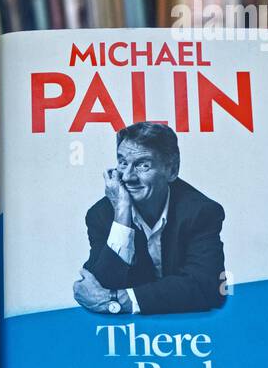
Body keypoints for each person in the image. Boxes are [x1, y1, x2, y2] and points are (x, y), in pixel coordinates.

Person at [74, 122, 227, 316]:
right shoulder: (100, 215)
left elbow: (208, 287)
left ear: (171, 170)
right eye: (122, 162)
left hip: (188, 329)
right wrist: (122, 216)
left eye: (143, 165)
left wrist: (118, 301)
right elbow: (98, 287)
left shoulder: (201, 211)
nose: (128, 177)